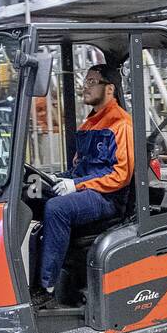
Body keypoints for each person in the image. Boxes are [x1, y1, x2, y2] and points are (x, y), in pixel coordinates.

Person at [33, 64, 133, 307]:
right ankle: (37, 280)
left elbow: (121, 176)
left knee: (58, 209)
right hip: (87, 190)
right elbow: (80, 167)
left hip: (107, 198)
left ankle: (47, 287)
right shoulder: (90, 124)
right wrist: (59, 178)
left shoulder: (122, 125)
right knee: (34, 197)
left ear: (109, 89)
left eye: (91, 82)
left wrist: (75, 185)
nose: (84, 87)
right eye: (85, 82)